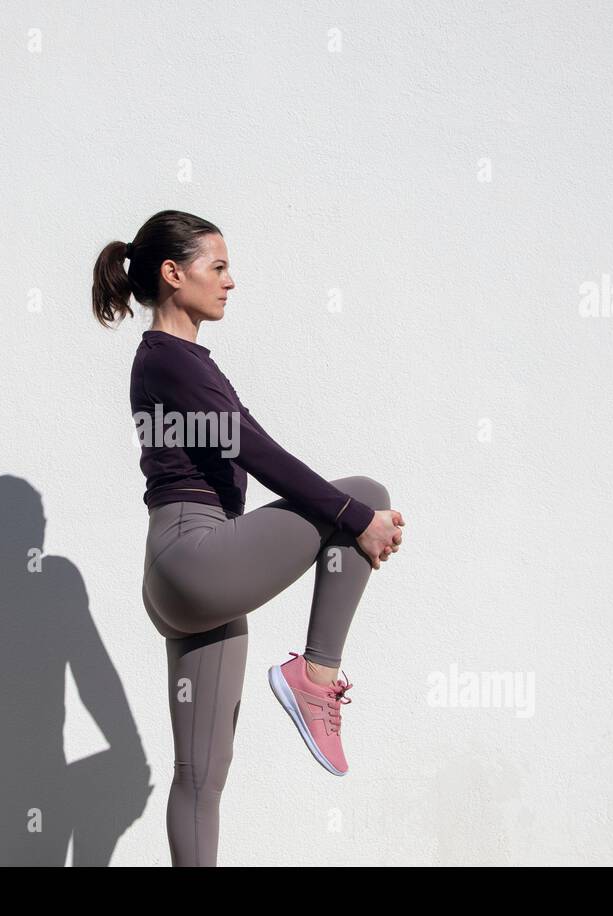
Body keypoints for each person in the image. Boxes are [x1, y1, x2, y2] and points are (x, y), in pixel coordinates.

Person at [91, 209, 404, 866]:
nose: (231, 281)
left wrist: (344, 522)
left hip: (191, 574)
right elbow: (256, 449)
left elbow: (248, 446)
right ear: (174, 275)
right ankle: (315, 676)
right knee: (367, 495)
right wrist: (355, 518)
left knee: (201, 779)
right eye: (219, 267)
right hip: (194, 554)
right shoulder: (167, 358)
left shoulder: (186, 364)